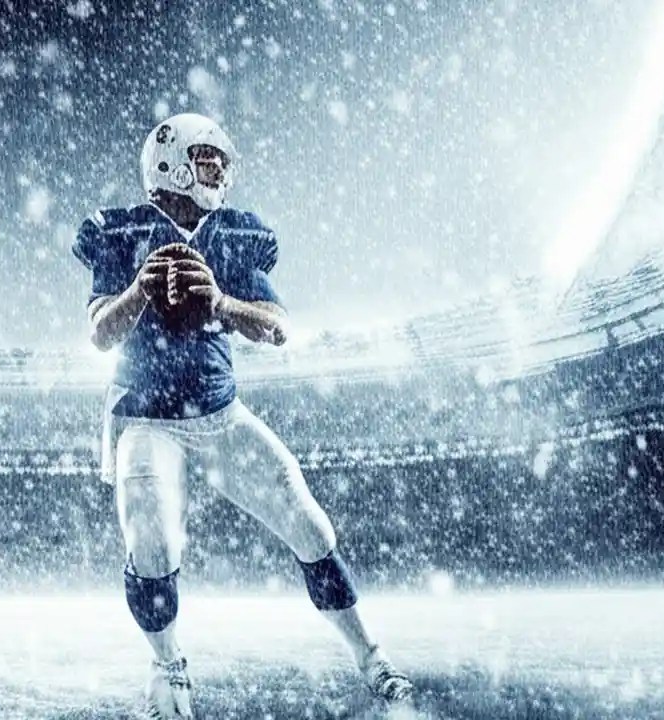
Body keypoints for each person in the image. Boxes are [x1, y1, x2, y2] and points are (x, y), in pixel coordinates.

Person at [71, 113, 413, 718]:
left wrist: (222, 303)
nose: (220, 173)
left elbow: (278, 327)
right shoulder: (122, 230)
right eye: (207, 160)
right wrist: (141, 290)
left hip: (219, 413)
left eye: (221, 163)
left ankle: (371, 656)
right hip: (147, 418)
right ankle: (168, 665)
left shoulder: (234, 233)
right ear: (171, 164)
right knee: (150, 544)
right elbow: (100, 333)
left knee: (311, 527)